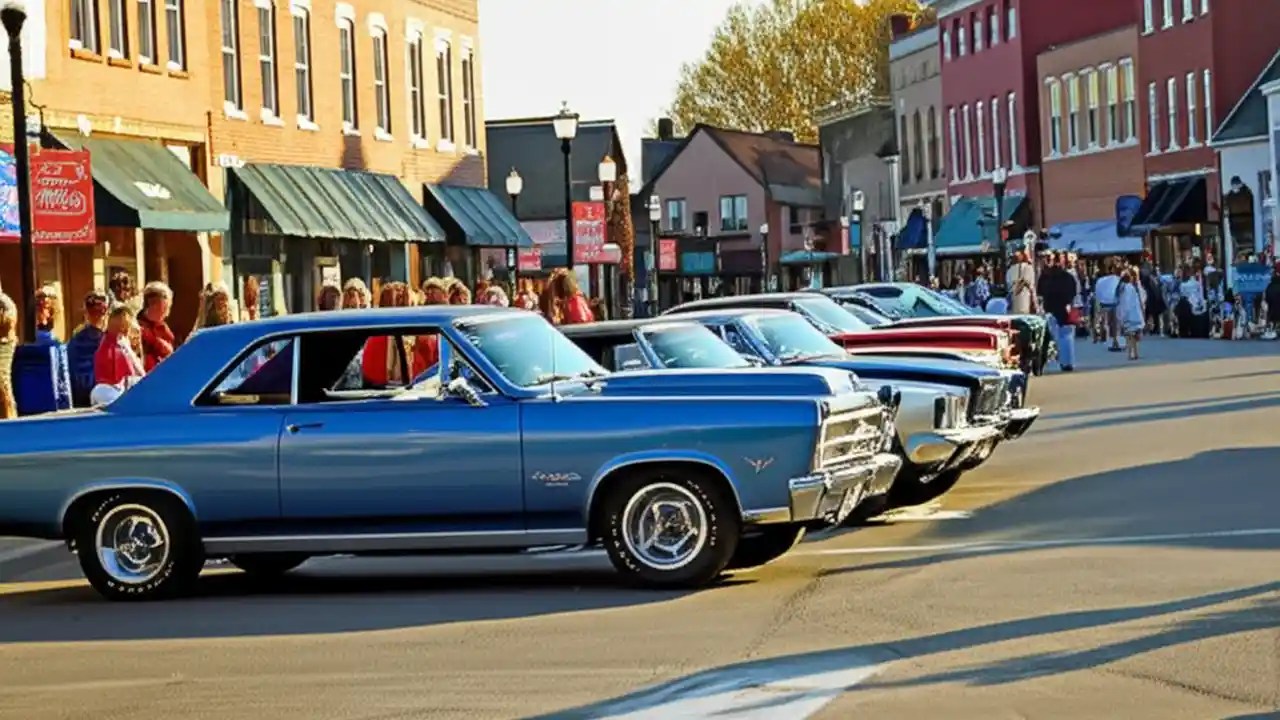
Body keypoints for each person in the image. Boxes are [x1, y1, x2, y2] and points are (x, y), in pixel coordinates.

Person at [92, 304, 146, 403]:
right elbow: (140, 375)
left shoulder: (106, 342)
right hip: (111, 392)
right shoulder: (119, 346)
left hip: (100, 391)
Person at [66, 290, 111, 407]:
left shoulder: (111, 338)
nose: (97, 316)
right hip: (88, 399)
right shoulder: (77, 341)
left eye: (100, 311)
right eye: (93, 311)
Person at [1038, 252, 1079, 372]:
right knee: (1066, 337)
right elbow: (1073, 291)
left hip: (1049, 308)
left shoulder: (1045, 277)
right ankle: (1068, 362)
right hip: (1064, 308)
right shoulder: (1067, 277)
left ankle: (1052, 361)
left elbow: (1040, 292)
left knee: (1052, 337)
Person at [137, 281, 175, 371]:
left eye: (167, 308)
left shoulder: (163, 328)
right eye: (163, 309)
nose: (166, 314)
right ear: (151, 304)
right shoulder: (136, 326)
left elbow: (170, 351)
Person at [1116, 269, 1145, 360]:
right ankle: (1135, 353)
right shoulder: (1131, 287)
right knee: (1134, 336)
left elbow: (1120, 301)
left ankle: (1130, 354)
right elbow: (1135, 301)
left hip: (1125, 314)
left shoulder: (1120, 288)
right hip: (1134, 314)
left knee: (1129, 336)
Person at [1093, 258, 1121, 350]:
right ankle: (1116, 340)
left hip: (1104, 304)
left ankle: (1108, 340)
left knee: (1106, 323)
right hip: (1115, 304)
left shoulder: (1100, 281)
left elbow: (1097, 295)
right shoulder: (1118, 280)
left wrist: (1098, 309)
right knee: (1116, 324)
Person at [0, 291, 16, 419]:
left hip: (3, 344)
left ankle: (9, 418)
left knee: (2, 382)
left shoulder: (5, 303)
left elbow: (8, 324)